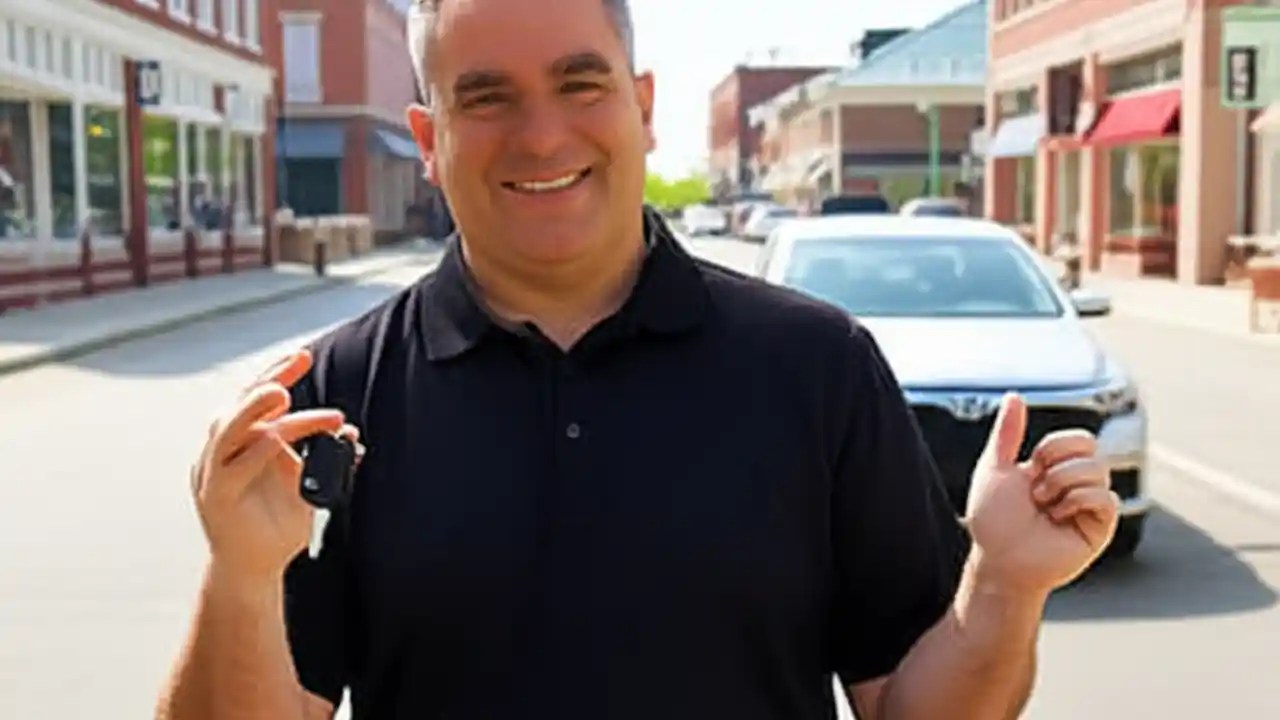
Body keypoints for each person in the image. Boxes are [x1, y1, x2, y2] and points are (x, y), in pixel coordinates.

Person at [155, 0, 1119, 718]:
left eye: (580, 84)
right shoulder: (336, 399)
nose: (541, 134)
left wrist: (1003, 587)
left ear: (642, 105)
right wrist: (240, 577)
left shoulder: (817, 369)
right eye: (486, 98)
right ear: (429, 141)